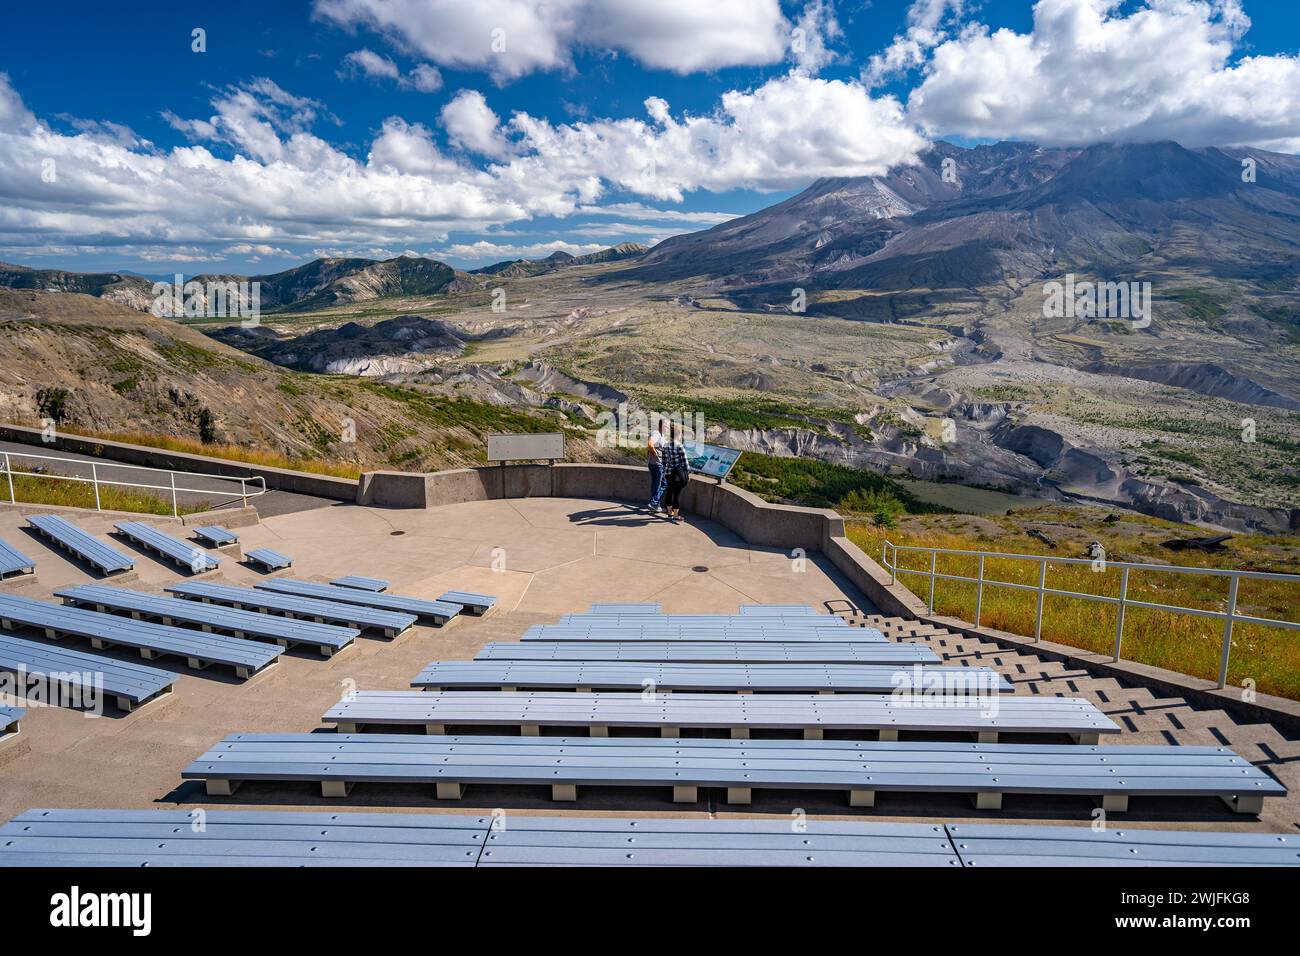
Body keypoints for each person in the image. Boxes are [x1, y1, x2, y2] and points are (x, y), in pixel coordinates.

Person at [660, 423, 690, 522]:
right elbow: (685, 462)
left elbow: (664, 461)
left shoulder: (666, 445)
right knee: (677, 495)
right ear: (678, 435)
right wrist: (687, 474)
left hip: (669, 473)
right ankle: (676, 515)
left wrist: (664, 472)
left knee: (669, 492)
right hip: (678, 474)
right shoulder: (679, 446)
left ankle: (669, 513)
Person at [645, 417, 666, 511]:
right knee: (663, 484)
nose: (667, 428)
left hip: (653, 463)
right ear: (662, 426)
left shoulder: (660, 435)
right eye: (666, 426)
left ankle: (656, 505)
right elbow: (650, 443)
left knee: (656, 484)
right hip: (657, 464)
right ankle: (654, 503)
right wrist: (655, 454)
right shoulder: (657, 434)